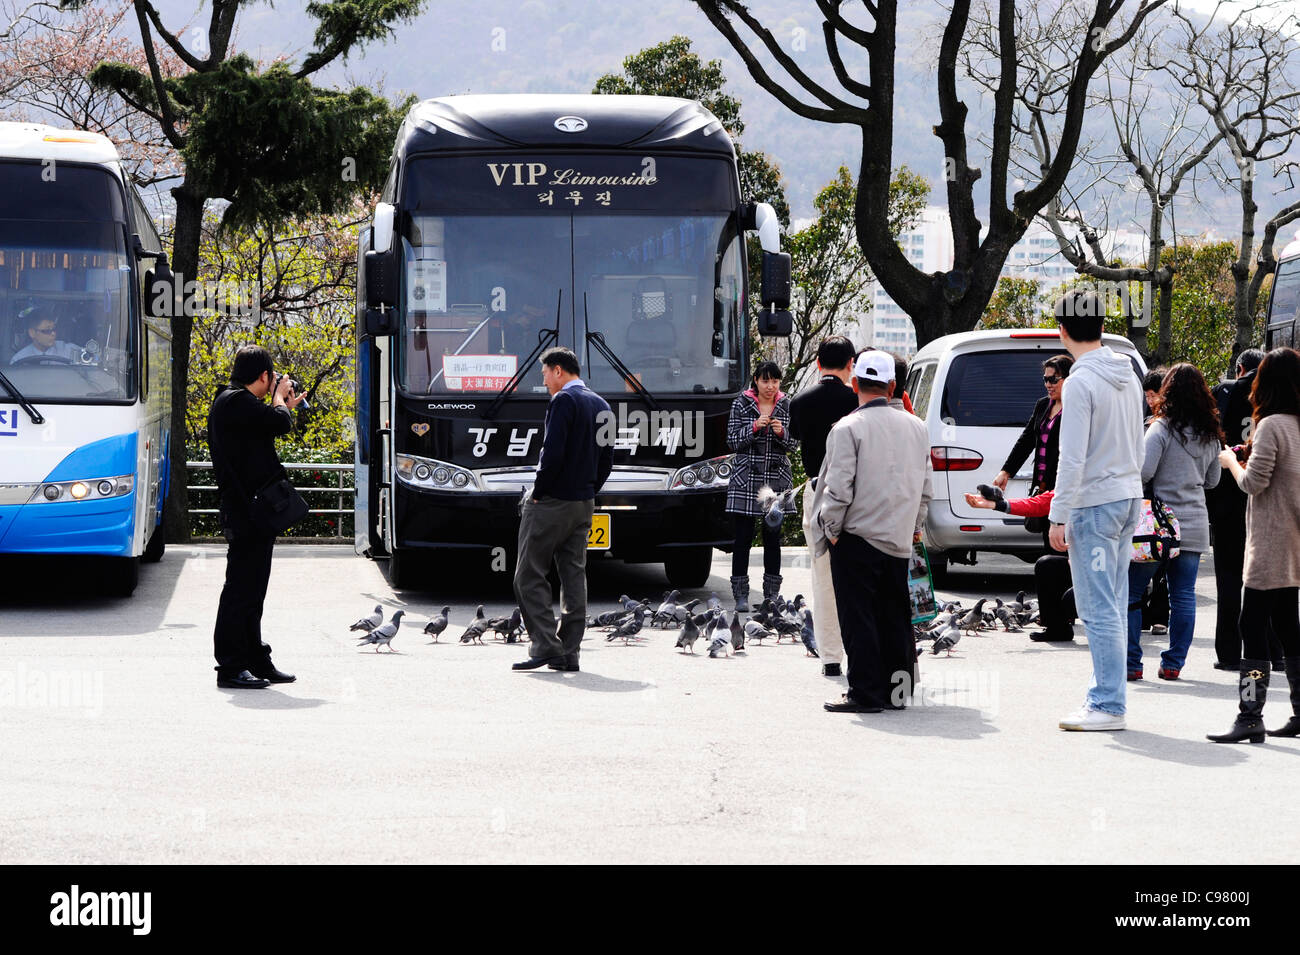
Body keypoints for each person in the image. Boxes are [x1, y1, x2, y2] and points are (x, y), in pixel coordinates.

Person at [811, 350, 932, 713]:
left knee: (858, 616)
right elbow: (925, 488)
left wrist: (831, 530)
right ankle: (899, 692)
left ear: (855, 384)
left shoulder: (847, 428)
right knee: (896, 614)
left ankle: (865, 693)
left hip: (856, 537)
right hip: (897, 537)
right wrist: (914, 528)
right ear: (892, 386)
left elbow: (838, 489)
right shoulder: (917, 426)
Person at [1047, 290, 1144, 732]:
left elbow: (1072, 458)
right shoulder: (1130, 373)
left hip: (1094, 505)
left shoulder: (1080, 383)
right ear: (1102, 327)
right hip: (1127, 498)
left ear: (1062, 331)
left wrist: (1058, 514)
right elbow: (1138, 443)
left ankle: (1107, 704)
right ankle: (1104, 694)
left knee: (1097, 607)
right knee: (1115, 602)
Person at [1208, 347, 1300, 743]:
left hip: (1270, 540)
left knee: (1251, 626)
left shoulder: (1272, 425)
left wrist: (1230, 461)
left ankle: (1249, 716)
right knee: (1289, 627)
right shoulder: (1296, 423)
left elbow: (1252, 484)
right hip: (1295, 539)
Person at [208, 345, 305, 689]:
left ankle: (255, 659)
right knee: (240, 590)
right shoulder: (234, 402)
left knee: (252, 589)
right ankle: (231, 667)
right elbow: (278, 422)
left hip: (252, 512)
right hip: (245, 513)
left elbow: (268, 426)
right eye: (272, 378)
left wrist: (282, 405)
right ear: (264, 376)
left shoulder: (235, 404)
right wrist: (279, 401)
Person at [511, 346, 613, 672]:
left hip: (552, 501)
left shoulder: (563, 401)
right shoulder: (603, 405)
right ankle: (569, 653)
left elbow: (551, 453)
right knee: (574, 577)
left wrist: (538, 493)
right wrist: (588, 491)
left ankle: (544, 645)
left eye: (544, 374)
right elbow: (607, 460)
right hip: (584, 503)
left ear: (558, 370)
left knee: (528, 574)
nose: (544, 382)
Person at [1125, 364, 1222, 682]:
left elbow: (1143, 473)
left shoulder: (1161, 428)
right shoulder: (1210, 434)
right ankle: (1173, 663)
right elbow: (1213, 481)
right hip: (1193, 522)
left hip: (1155, 525)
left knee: (1134, 593)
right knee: (1183, 595)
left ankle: (1131, 663)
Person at [1206, 348, 1283, 672]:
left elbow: (1213, 440)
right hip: (1269, 502)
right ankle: (1276, 651)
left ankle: (1229, 652)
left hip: (1228, 500)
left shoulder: (1225, 391)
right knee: (1272, 582)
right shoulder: (1281, 398)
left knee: (1228, 578)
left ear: (1240, 369)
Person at [790, 337, 859, 677]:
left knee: (823, 577)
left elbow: (796, 437)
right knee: (857, 574)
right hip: (856, 495)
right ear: (851, 363)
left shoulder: (799, 402)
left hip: (817, 491)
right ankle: (859, 648)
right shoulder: (856, 402)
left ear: (817, 363)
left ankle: (830, 657)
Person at [725, 360, 798, 612]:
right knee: (743, 538)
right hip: (746, 479)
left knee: (773, 538)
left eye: (775, 381)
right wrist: (754, 427)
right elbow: (732, 440)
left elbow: (795, 444)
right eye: (766, 380)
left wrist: (781, 434)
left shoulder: (787, 404)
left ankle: (771, 595)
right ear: (755, 380)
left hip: (776, 480)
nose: (771, 386)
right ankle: (741, 596)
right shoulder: (741, 403)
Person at [963, 488, 1078, 642]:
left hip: (1109, 570)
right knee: (1047, 565)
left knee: (1073, 599)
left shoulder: (1110, 491)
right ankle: (1058, 629)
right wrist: (995, 504)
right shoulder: (1071, 487)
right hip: (1082, 566)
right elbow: (1037, 504)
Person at [992, 354, 1073, 495]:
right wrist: (1006, 472)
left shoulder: (1077, 408)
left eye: (1053, 379)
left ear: (1069, 379)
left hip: (1063, 490)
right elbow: (1026, 440)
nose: (1048, 384)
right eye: (1045, 379)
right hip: (1040, 488)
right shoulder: (1043, 405)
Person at [10, 308, 82, 364]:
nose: (53, 333)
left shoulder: (70, 351)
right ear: (32, 333)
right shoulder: (19, 360)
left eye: (54, 329)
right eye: (47, 331)